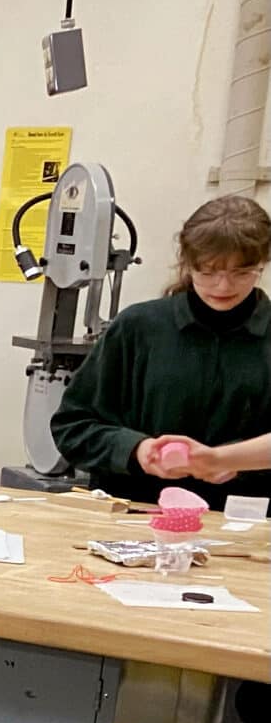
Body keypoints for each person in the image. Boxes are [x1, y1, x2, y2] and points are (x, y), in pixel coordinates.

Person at [52, 195, 271, 506]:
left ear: (262, 264)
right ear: (187, 263)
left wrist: (232, 461)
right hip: (134, 517)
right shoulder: (138, 327)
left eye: (242, 272)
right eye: (207, 272)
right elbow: (72, 427)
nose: (223, 286)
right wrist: (135, 450)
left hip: (246, 526)